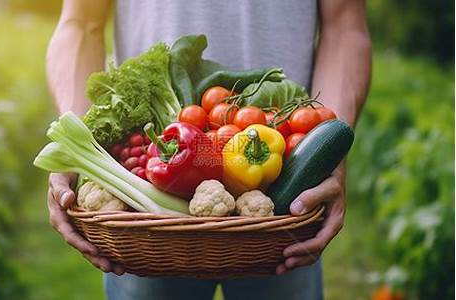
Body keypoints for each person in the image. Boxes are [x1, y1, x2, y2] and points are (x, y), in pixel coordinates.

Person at [45, 0, 371, 299]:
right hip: (143, 223)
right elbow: (80, 24)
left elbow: (344, 25)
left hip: (287, 202)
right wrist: (77, 148)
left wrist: (328, 156)